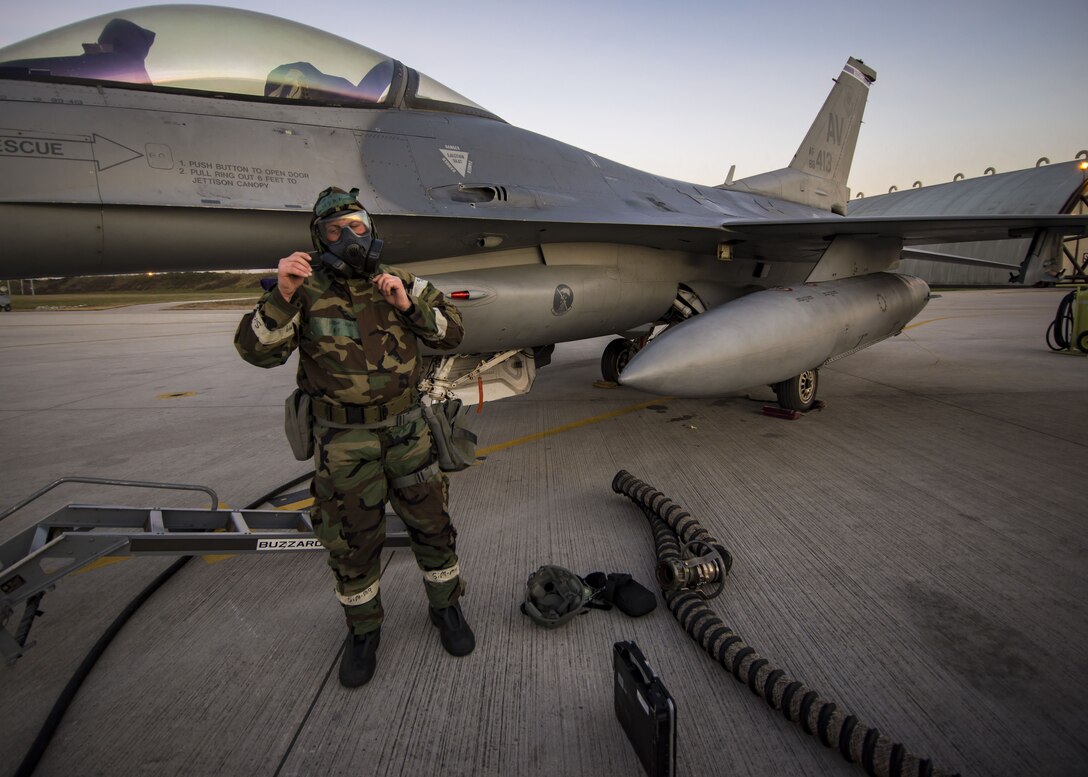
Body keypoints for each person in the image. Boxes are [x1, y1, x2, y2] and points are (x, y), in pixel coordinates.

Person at [234, 186, 473, 688]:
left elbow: (452, 333)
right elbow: (257, 352)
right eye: (335, 231)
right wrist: (282, 294)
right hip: (343, 441)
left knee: (432, 524)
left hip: (407, 431)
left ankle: (446, 608)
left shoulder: (402, 281)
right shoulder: (302, 289)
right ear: (318, 239)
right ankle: (364, 631)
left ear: (371, 229)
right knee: (350, 540)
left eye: (357, 226)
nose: (349, 238)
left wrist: (407, 304)